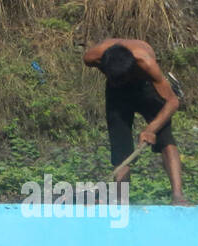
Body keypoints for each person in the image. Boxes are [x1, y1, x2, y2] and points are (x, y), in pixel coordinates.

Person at [82, 39, 192, 205]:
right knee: (120, 144)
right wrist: (116, 83)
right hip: (116, 94)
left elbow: (173, 102)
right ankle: (120, 198)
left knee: (165, 138)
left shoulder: (146, 63)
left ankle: (178, 196)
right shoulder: (92, 58)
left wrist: (151, 128)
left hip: (145, 87)